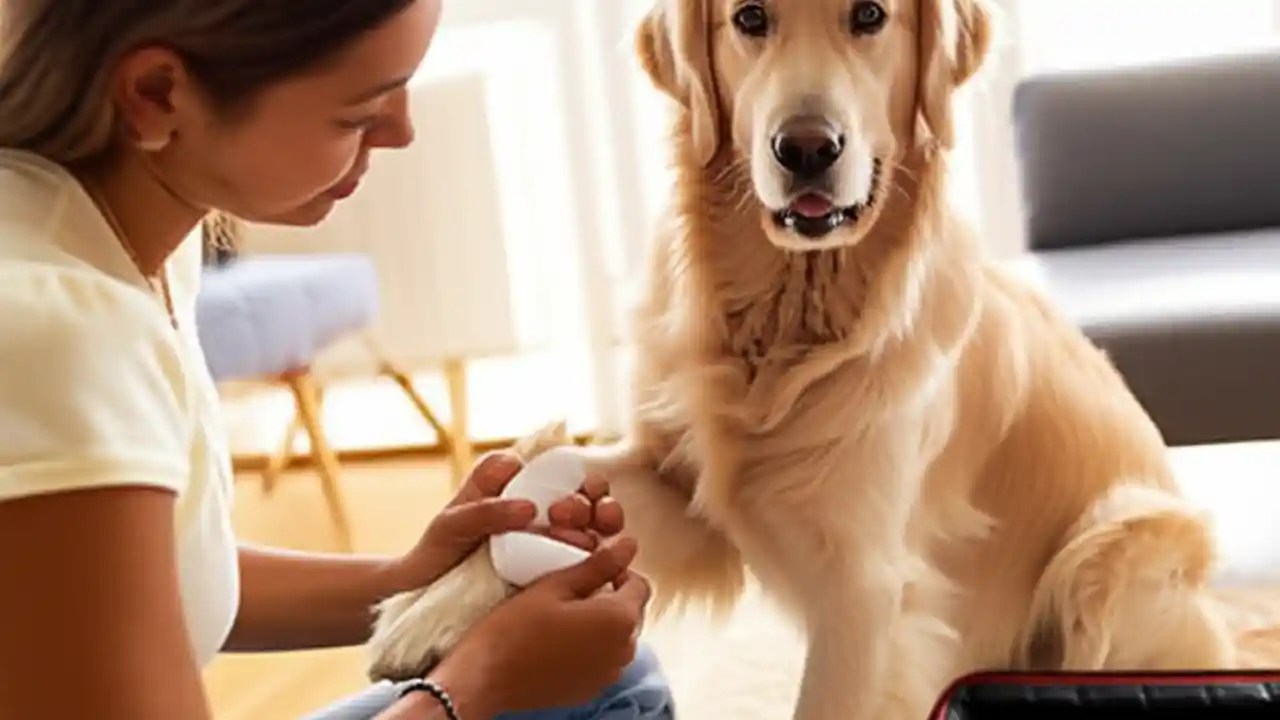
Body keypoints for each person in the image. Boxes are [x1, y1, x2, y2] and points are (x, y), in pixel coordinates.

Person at [0, 1, 674, 719]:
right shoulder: (58, 328)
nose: (403, 130)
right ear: (158, 94)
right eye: (359, 112)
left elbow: (152, 582)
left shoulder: (117, 240)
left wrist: (412, 581)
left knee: (615, 679)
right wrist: (473, 688)